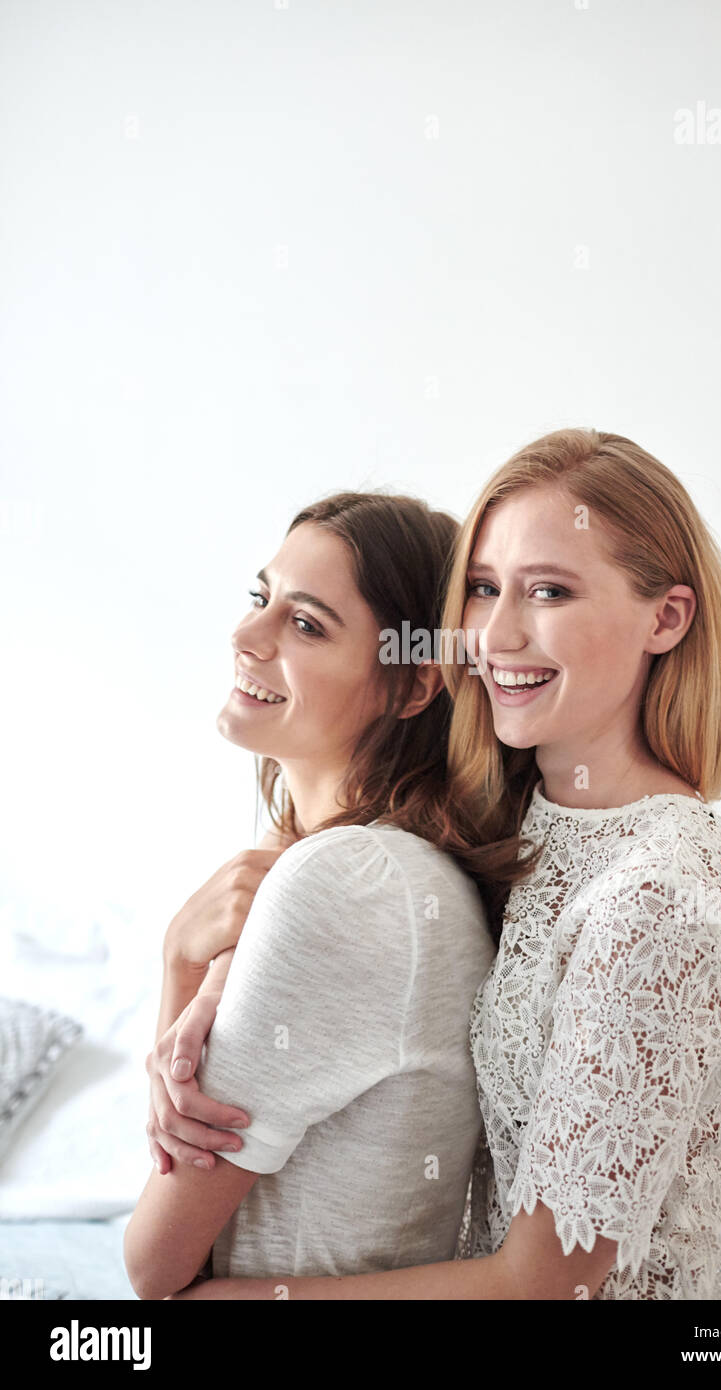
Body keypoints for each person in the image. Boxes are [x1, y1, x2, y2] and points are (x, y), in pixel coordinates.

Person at [153, 428, 721, 1301]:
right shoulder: (521, 825)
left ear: (665, 618)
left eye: (549, 591)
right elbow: (359, 869)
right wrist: (211, 973)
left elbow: (544, 1284)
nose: (496, 633)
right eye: (482, 590)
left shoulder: (661, 894)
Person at [123, 491, 500, 1300]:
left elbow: (152, 1264)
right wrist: (192, 958)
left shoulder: (346, 884)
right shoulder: (372, 868)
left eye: (305, 624)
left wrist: (178, 964)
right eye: (261, 598)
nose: (245, 636)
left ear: (411, 686)